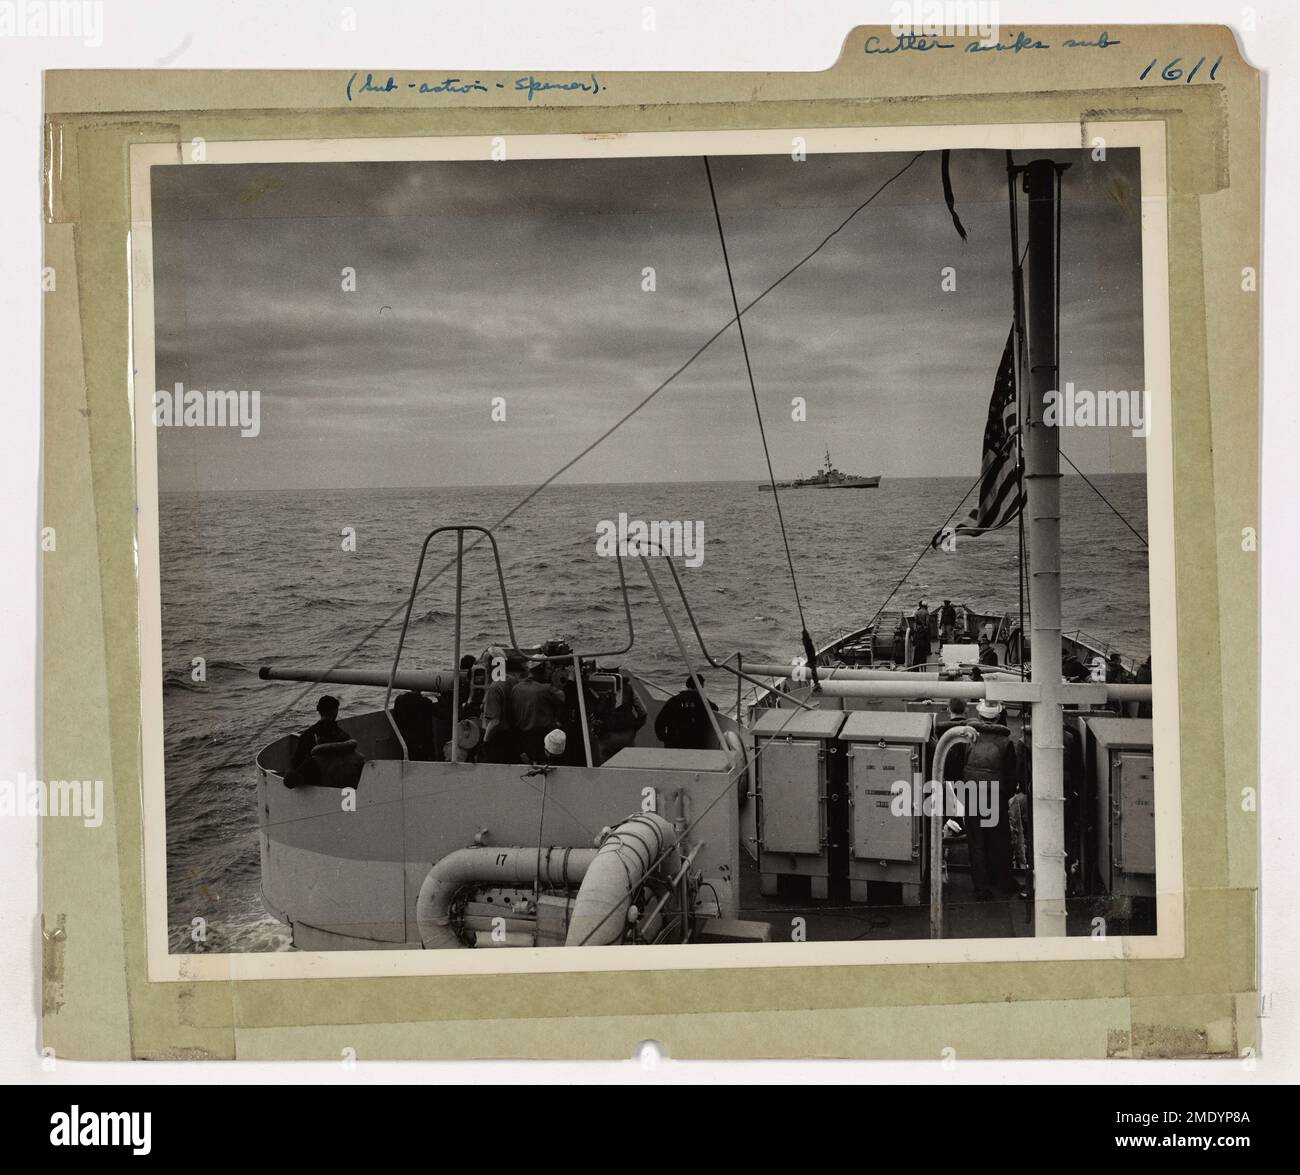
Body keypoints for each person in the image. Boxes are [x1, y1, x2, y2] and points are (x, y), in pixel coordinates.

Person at [958, 697, 1018, 900]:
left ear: (979, 714)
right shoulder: (1006, 741)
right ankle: (1001, 880)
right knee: (999, 839)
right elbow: (1011, 776)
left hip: (972, 793)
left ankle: (981, 888)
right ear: (1000, 715)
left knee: (976, 841)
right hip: (995, 795)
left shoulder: (967, 736)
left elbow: (958, 766)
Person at [286, 695, 350, 788]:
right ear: (335, 711)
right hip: (335, 781)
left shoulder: (306, 734)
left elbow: (297, 760)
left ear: (319, 711)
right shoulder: (341, 735)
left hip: (312, 780)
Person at [510, 659, 566, 762]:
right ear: (542, 671)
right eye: (548, 669)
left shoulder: (516, 688)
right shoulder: (546, 689)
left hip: (523, 738)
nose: (550, 672)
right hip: (544, 738)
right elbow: (562, 698)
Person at [479, 653, 524, 764]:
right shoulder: (511, 680)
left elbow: (494, 721)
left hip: (497, 738)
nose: (483, 665)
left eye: (485, 662)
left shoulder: (494, 688)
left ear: (493, 665)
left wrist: (485, 741)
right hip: (511, 733)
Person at [654, 675, 719, 750]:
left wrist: (664, 738)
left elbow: (659, 721)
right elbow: (715, 709)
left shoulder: (674, 700)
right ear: (700, 686)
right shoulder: (701, 700)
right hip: (694, 743)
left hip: (674, 742)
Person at [598, 670, 648, 759]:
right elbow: (643, 711)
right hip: (627, 734)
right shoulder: (629, 688)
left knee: (606, 764)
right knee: (628, 762)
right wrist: (635, 727)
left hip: (607, 735)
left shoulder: (599, 689)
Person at [392, 689, 437, 761]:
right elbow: (441, 714)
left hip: (406, 740)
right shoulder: (426, 702)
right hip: (423, 743)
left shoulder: (400, 700)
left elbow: (396, 719)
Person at [911, 601, 931, 667]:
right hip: (924, 630)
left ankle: (917, 661)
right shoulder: (926, 612)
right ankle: (924, 657)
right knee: (925, 644)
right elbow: (927, 623)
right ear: (925, 606)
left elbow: (915, 621)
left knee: (918, 645)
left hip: (918, 630)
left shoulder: (916, 612)